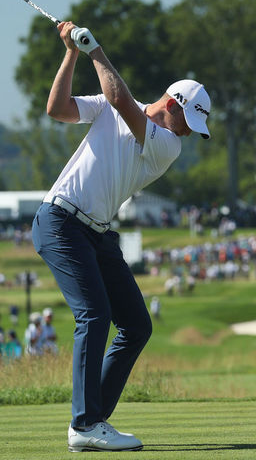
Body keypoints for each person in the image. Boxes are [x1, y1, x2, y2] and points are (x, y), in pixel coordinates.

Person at [31, 22, 212, 453]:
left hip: (95, 233)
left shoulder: (167, 145)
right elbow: (57, 109)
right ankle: (85, 424)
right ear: (171, 103)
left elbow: (119, 98)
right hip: (60, 222)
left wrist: (94, 47)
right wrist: (73, 52)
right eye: (187, 120)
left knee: (135, 323)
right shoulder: (114, 108)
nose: (188, 131)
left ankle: (94, 419)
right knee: (93, 314)